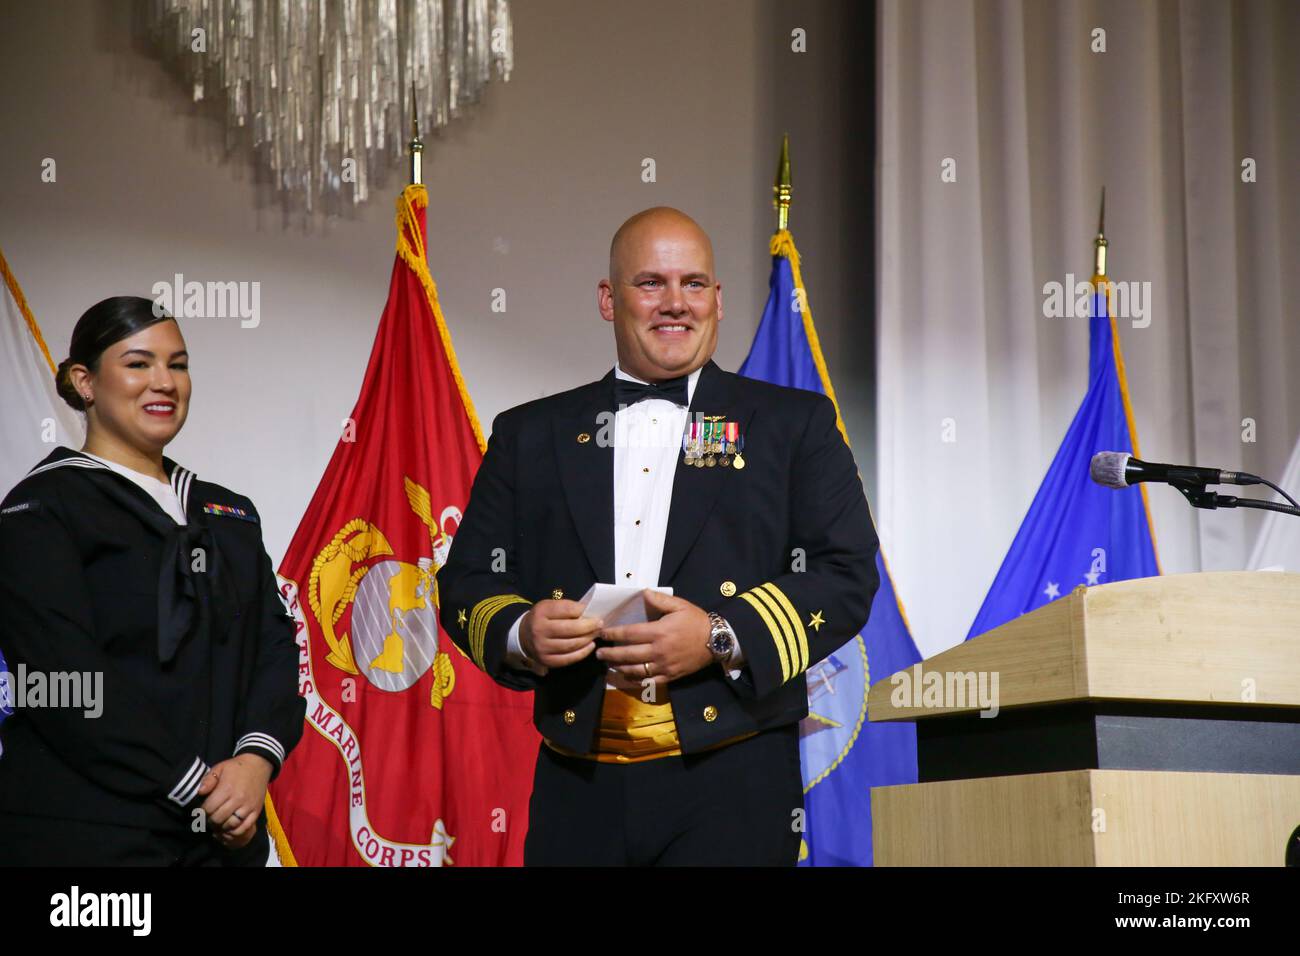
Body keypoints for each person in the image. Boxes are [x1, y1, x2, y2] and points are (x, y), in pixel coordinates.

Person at [436, 207, 879, 865]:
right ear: (608, 300)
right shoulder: (531, 434)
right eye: (651, 283)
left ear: (719, 301)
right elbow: (467, 580)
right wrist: (521, 631)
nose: (676, 303)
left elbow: (846, 574)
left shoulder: (795, 426)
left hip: (734, 781)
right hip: (575, 782)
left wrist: (717, 636)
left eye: (694, 284)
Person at [0, 296, 305, 865]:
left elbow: (274, 647)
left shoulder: (228, 513)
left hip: (221, 838)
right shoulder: (42, 508)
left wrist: (254, 764)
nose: (164, 382)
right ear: (84, 381)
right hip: (91, 836)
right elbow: (61, 680)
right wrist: (197, 787)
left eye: (179, 364)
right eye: (138, 363)